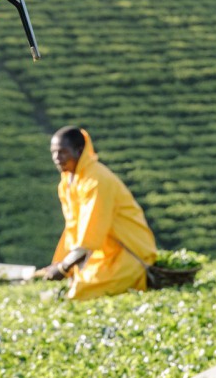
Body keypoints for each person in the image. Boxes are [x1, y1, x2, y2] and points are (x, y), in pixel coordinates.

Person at [37, 126, 157, 299]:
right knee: (71, 288)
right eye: (54, 153)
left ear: (79, 151)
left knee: (80, 293)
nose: (57, 158)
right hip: (106, 255)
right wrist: (62, 264)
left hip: (130, 254)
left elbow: (89, 234)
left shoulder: (96, 180)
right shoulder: (68, 183)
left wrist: (64, 267)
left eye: (62, 152)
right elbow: (73, 228)